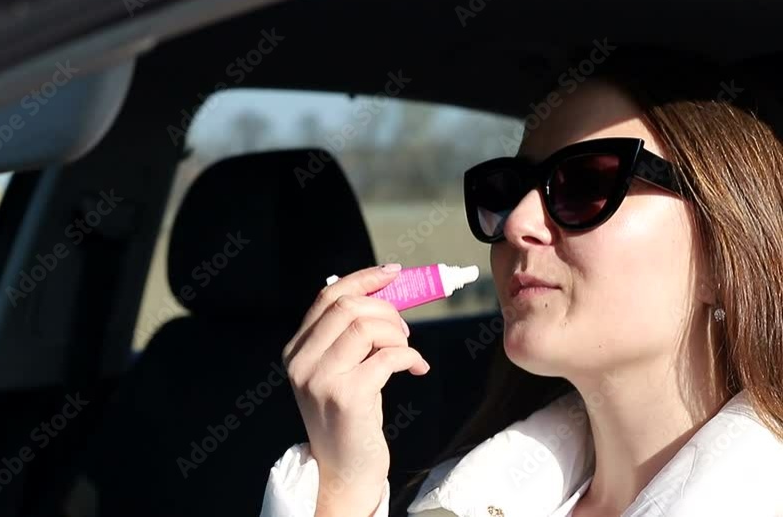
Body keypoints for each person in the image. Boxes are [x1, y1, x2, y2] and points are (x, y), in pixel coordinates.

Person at [259, 48, 783, 516]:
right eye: (506, 190)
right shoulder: (465, 497)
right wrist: (342, 492)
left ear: (722, 250)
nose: (515, 223)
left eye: (586, 183)